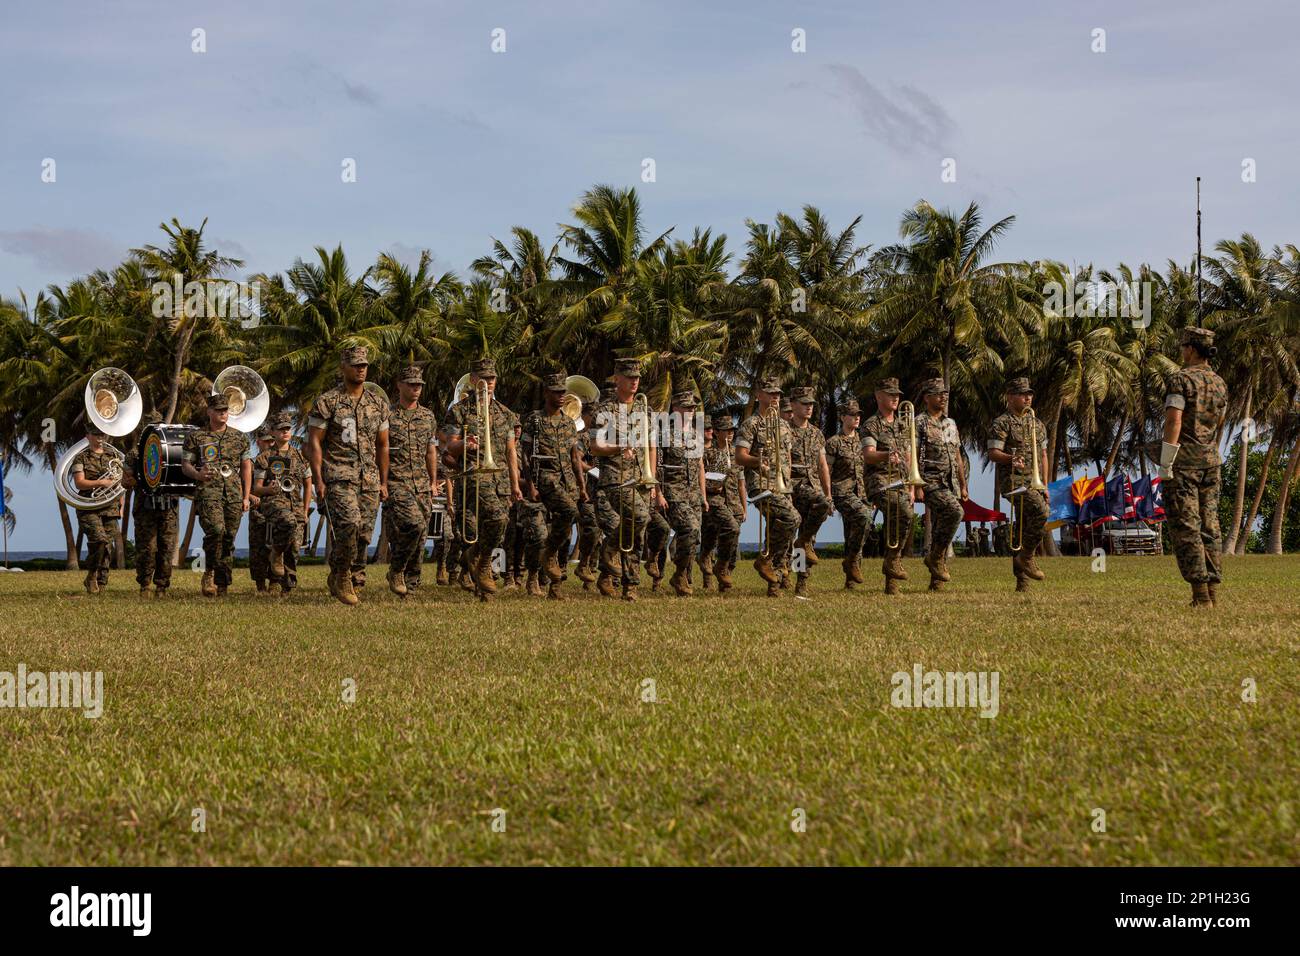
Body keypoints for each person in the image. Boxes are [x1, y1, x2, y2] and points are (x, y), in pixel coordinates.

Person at [307, 346, 390, 606]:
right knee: (349, 525)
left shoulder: (378, 403)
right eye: (355, 365)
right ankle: (342, 573)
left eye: (364, 364)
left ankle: (354, 577)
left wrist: (384, 481)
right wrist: (319, 480)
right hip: (338, 476)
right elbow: (314, 443)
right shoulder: (327, 402)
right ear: (343, 368)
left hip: (369, 479)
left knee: (364, 533)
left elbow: (383, 445)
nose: (361, 368)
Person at [1160, 327, 1228, 608]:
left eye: (1183, 346)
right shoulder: (1220, 383)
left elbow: (1174, 421)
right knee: (1210, 525)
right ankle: (1212, 592)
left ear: (1190, 348)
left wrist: (1166, 462)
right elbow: (1219, 423)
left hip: (1184, 464)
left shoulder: (1181, 380)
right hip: (1211, 461)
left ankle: (1200, 595)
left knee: (1187, 525)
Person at [444, 356, 522, 602]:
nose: (488, 382)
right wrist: (464, 444)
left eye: (492, 378)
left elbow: (511, 452)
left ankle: (482, 583)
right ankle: (482, 560)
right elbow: (449, 447)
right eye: (483, 378)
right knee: (479, 527)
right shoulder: (458, 411)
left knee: (497, 529)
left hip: (498, 479)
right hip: (472, 478)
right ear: (473, 380)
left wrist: (515, 485)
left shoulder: (506, 414)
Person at [590, 357, 655, 601]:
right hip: (615, 478)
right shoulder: (604, 410)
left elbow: (651, 446)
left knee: (637, 534)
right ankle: (609, 549)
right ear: (617, 379)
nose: (634, 381)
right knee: (639, 517)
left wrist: (652, 479)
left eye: (637, 377)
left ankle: (629, 585)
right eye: (629, 377)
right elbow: (595, 447)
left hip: (640, 478)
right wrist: (617, 447)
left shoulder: (644, 410)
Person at [520, 371, 587, 600]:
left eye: (563, 392)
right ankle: (534, 574)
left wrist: (582, 485)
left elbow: (575, 456)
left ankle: (555, 587)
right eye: (556, 392)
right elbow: (525, 456)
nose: (560, 396)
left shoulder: (569, 424)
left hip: (567, 482)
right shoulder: (535, 420)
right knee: (539, 534)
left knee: (565, 533)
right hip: (543, 481)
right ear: (546, 393)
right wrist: (529, 485)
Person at [182, 392, 252, 597]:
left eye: (225, 410)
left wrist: (246, 496)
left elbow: (246, 467)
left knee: (229, 538)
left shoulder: (240, 437)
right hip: (208, 493)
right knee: (216, 531)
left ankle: (223, 584)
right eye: (219, 410)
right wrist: (197, 474)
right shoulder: (196, 437)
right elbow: (185, 465)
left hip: (233, 495)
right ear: (209, 412)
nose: (223, 414)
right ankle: (209, 572)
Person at [734, 377, 799, 597]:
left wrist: (788, 480)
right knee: (792, 518)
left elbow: (787, 456)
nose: (775, 397)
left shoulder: (783, 425)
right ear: (759, 395)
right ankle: (765, 560)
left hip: (783, 485)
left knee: (782, 529)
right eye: (770, 393)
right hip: (761, 485)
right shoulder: (750, 424)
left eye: (778, 394)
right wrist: (757, 462)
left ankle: (775, 583)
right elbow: (739, 457)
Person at [988, 377, 1051, 592]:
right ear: (1010, 397)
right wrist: (1010, 459)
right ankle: (1026, 557)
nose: (1028, 397)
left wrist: (1045, 484)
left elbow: (1043, 455)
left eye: (1030, 393)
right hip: (1014, 481)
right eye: (1022, 394)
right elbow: (993, 453)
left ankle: (1021, 582)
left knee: (1026, 526)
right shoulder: (1002, 423)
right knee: (1042, 513)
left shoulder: (1038, 423)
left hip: (1034, 482)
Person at [383, 366, 438, 596]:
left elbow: (430, 452)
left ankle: (411, 586)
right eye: (411, 384)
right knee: (413, 525)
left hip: (422, 484)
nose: (416, 388)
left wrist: (434, 481)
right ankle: (396, 570)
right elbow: (381, 450)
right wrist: (382, 482)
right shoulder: (387, 415)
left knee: (420, 534)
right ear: (400, 385)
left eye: (419, 385)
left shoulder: (427, 416)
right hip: (397, 482)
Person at [652, 389, 707, 596]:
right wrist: (658, 493)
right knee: (690, 529)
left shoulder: (696, 434)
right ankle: (678, 575)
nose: (691, 410)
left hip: (693, 494)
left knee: (695, 537)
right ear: (675, 409)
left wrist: (703, 495)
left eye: (693, 407)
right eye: (686, 406)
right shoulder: (664, 434)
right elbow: (656, 466)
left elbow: (700, 465)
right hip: (673, 492)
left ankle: (684, 580)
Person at [861, 378, 914, 595]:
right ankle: (893, 561)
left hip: (901, 481)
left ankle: (891, 578)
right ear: (878, 396)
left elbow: (909, 457)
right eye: (890, 394)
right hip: (879, 481)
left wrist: (912, 486)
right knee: (901, 511)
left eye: (897, 394)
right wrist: (887, 455)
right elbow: (869, 456)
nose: (895, 398)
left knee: (903, 517)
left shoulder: (903, 425)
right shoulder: (870, 425)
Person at [914, 377, 967, 591]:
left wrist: (963, 484)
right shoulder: (919, 422)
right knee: (955, 513)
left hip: (950, 482)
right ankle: (934, 556)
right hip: (930, 480)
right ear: (927, 398)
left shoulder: (950, 423)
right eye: (938, 394)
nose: (943, 397)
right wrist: (916, 484)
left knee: (940, 526)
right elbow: (914, 454)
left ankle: (936, 581)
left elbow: (957, 454)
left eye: (945, 393)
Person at [252, 412, 313, 595]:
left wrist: (305, 508)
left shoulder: (300, 456)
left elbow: (308, 483)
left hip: (296, 504)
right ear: (273, 432)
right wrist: (267, 490)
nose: (285, 432)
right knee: (287, 521)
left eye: (287, 428)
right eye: (281, 429)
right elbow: (256, 488)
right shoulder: (264, 458)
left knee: (294, 547)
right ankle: (276, 553)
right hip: (274, 504)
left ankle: (288, 586)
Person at [121, 411, 179, 598]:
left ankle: (161, 587)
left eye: (159, 425)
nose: (157, 429)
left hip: (168, 507)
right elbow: (125, 481)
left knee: (167, 547)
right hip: (145, 507)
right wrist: (142, 480)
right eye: (152, 426)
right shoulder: (134, 454)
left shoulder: (172, 450)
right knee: (147, 548)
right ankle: (145, 585)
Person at [786, 386, 833, 598]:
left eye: (811, 404)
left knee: (807, 539)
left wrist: (828, 493)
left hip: (812, 487)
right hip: (791, 487)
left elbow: (822, 465)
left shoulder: (816, 433)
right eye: (804, 403)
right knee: (786, 538)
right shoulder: (783, 430)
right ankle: (779, 580)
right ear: (793, 404)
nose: (809, 407)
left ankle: (801, 582)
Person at [70, 421, 122, 594]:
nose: (100, 438)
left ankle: (102, 584)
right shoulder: (81, 457)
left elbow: (121, 481)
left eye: (102, 435)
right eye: (96, 435)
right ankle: (92, 576)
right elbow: (80, 482)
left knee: (108, 546)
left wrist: (121, 505)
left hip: (111, 506)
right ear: (88, 436)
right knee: (99, 541)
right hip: (88, 506)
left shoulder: (113, 454)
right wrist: (101, 482)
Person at [826, 398, 869, 590]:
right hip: (841, 492)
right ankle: (851, 561)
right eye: (852, 415)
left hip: (860, 493)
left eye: (858, 415)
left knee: (853, 532)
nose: (857, 418)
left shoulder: (863, 441)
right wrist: (827, 496)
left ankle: (850, 579)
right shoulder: (834, 443)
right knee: (863, 518)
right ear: (843, 417)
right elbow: (826, 470)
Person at [699, 414, 745, 593]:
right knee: (710, 539)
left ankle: (724, 578)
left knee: (732, 544)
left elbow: (741, 482)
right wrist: (710, 488)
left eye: (732, 430)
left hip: (733, 503)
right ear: (717, 432)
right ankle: (708, 578)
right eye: (725, 430)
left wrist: (743, 506)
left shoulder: (736, 454)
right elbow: (700, 478)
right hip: (714, 501)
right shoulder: (707, 453)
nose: (730, 434)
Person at [573, 404, 601, 588]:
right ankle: (583, 563)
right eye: (594, 415)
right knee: (591, 528)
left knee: (600, 533)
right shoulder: (582, 436)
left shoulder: (604, 437)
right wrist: (591, 469)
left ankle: (591, 570)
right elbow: (576, 459)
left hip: (604, 490)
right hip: (586, 490)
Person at [246, 425, 275, 592]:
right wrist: (250, 496)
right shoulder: (250, 462)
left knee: (275, 546)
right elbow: (242, 485)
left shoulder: (278, 461)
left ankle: (274, 582)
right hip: (258, 509)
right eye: (266, 442)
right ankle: (260, 584)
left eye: (272, 441)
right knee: (258, 548)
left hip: (276, 508)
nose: (270, 444)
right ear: (258, 442)